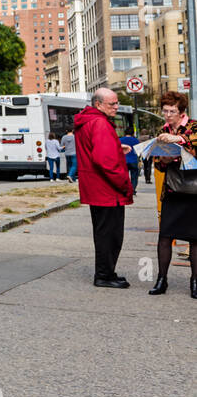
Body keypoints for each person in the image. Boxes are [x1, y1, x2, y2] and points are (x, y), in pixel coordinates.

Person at [74, 89, 133, 288]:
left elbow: (96, 151)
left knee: (104, 234)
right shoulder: (99, 123)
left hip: (97, 188)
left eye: (116, 103)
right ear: (98, 104)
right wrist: (125, 184)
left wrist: (117, 147)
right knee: (110, 235)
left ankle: (106, 273)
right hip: (107, 190)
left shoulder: (89, 121)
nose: (116, 107)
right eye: (112, 104)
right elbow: (104, 161)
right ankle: (105, 275)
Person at [147, 91, 197, 296]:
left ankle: (195, 282)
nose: (167, 115)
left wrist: (178, 139)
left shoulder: (193, 126)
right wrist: (164, 160)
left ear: (181, 111)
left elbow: (194, 141)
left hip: (194, 191)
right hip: (172, 189)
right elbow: (158, 165)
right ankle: (162, 280)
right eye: (165, 111)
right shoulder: (162, 130)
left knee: (195, 238)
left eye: (172, 111)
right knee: (165, 236)